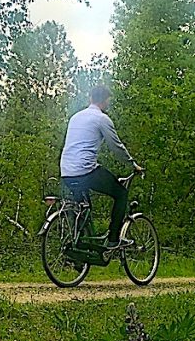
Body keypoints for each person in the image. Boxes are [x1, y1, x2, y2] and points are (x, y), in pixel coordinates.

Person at [60, 85, 143, 250]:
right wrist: (133, 164)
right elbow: (116, 147)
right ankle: (113, 239)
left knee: (83, 209)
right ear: (105, 101)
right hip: (85, 171)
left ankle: (80, 248)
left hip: (66, 171)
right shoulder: (102, 119)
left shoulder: (75, 117)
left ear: (90, 98)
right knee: (121, 193)